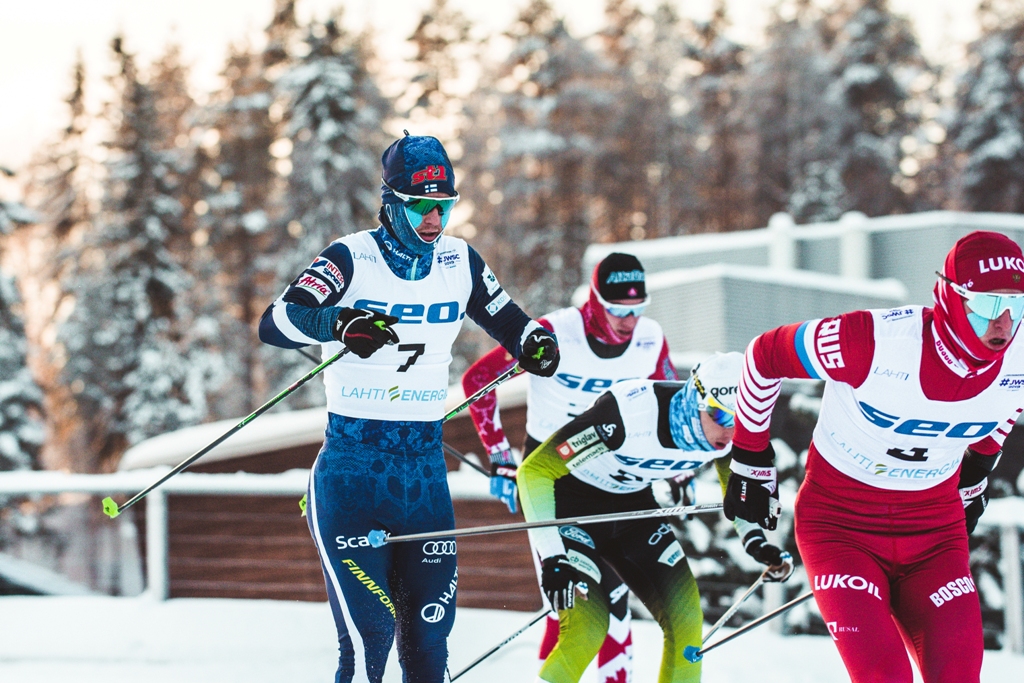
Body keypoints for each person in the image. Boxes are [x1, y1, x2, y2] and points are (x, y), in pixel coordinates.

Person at [258, 133, 559, 683]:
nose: (434, 219)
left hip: (422, 479)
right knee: (370, 640)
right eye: (421, 205)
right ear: (392, 201)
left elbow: (510, 320)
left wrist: (535, 343)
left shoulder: (459, 260)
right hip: (352, 473)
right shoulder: (352, 257)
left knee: (427, 647)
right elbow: (275, 321)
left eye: (444, 206)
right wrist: (339, 322)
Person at [724, 230, 1024, 682]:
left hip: (935, 533)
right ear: (948, 296)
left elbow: (1005, 406)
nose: (1003, 323)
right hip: (841, 528)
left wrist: (977, 470)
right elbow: (764, 356)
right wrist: (750, 458)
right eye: (986, 305)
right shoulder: (870, 341)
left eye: (1016, 305)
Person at [461, 252, 677, 683]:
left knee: (589, 606)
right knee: (587, 603)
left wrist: (677, 471)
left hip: (614, 481)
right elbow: (477, 384)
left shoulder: (652, 339)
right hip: (551, 479)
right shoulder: (553, 332)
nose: (627, 321)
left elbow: (666, 406)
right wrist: (502, 458)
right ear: (595, 300)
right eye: (617, 310)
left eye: (636, 310)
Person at [517, 353, 793, 683]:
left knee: (687, 620)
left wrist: (756, 541)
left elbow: (735, 494)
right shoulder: (629, 416)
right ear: (696, 399)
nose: (732, 431)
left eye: (744, 421)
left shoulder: (729, 436)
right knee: (587, 629)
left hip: (633, 511)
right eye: (721, 415)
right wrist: (552, 559)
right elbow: (534, 471)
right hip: (572, 511)